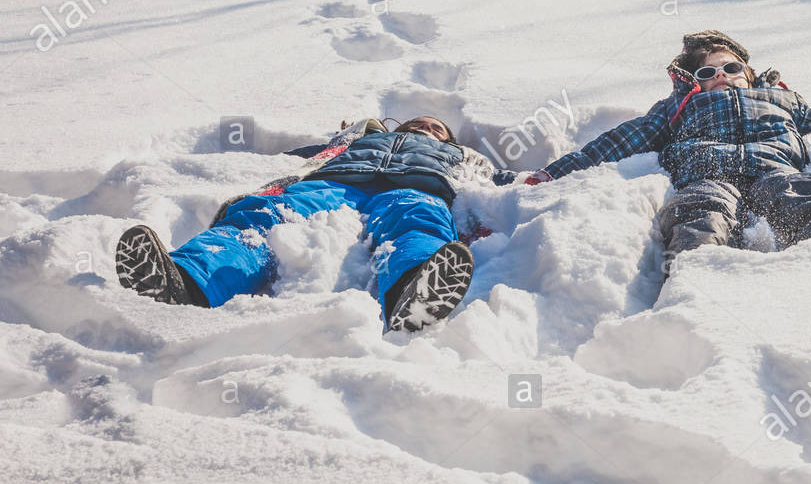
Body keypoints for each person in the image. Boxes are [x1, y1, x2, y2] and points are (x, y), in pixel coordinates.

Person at [527, 31, 811, 269]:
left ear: (747, 73)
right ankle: (696, 267)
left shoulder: (782, 101)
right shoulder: (678, 107)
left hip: (774, 166)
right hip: (706, 169)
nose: (722, 76)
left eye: (731, 68)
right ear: (695, 81)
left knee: (810, 194)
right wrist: (555, 171)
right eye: (709, 72)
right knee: (700, 208)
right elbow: (618, 140)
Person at [115, 115, 513, 330]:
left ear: (445, 139)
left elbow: (511, 183)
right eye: (420, 124)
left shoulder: (463, 156)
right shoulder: (356, 140)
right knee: (264, 220)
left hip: (417, 189)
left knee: (419, 225)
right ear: (400, 126)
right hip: (335, 182)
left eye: (436, 128)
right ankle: (186, 280)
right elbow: (287, 159)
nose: (427, 129)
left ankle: (414, 293)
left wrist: (574, 164)